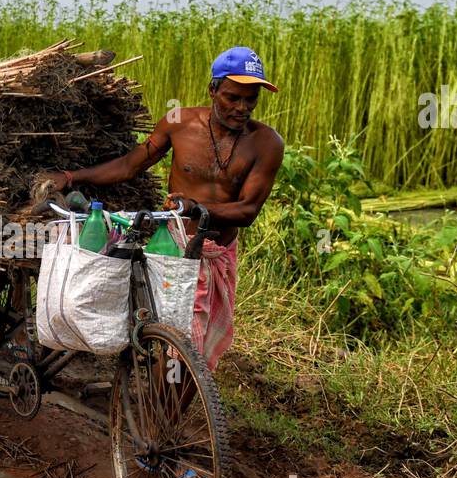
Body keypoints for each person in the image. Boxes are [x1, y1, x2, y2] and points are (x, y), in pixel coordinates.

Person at [46, 46, 285, 370]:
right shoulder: (180, 123)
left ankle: (167, 414)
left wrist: (195, 206)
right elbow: (130, 165)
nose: (242, 108)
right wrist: (71, 176)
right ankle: (155, 405)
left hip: (215, 251)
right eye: (232, 97)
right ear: (213, 90)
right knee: (162, 331)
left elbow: (247, 211)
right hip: (169, 246)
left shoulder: (266, 143)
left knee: (194, 353)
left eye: (250, 99)